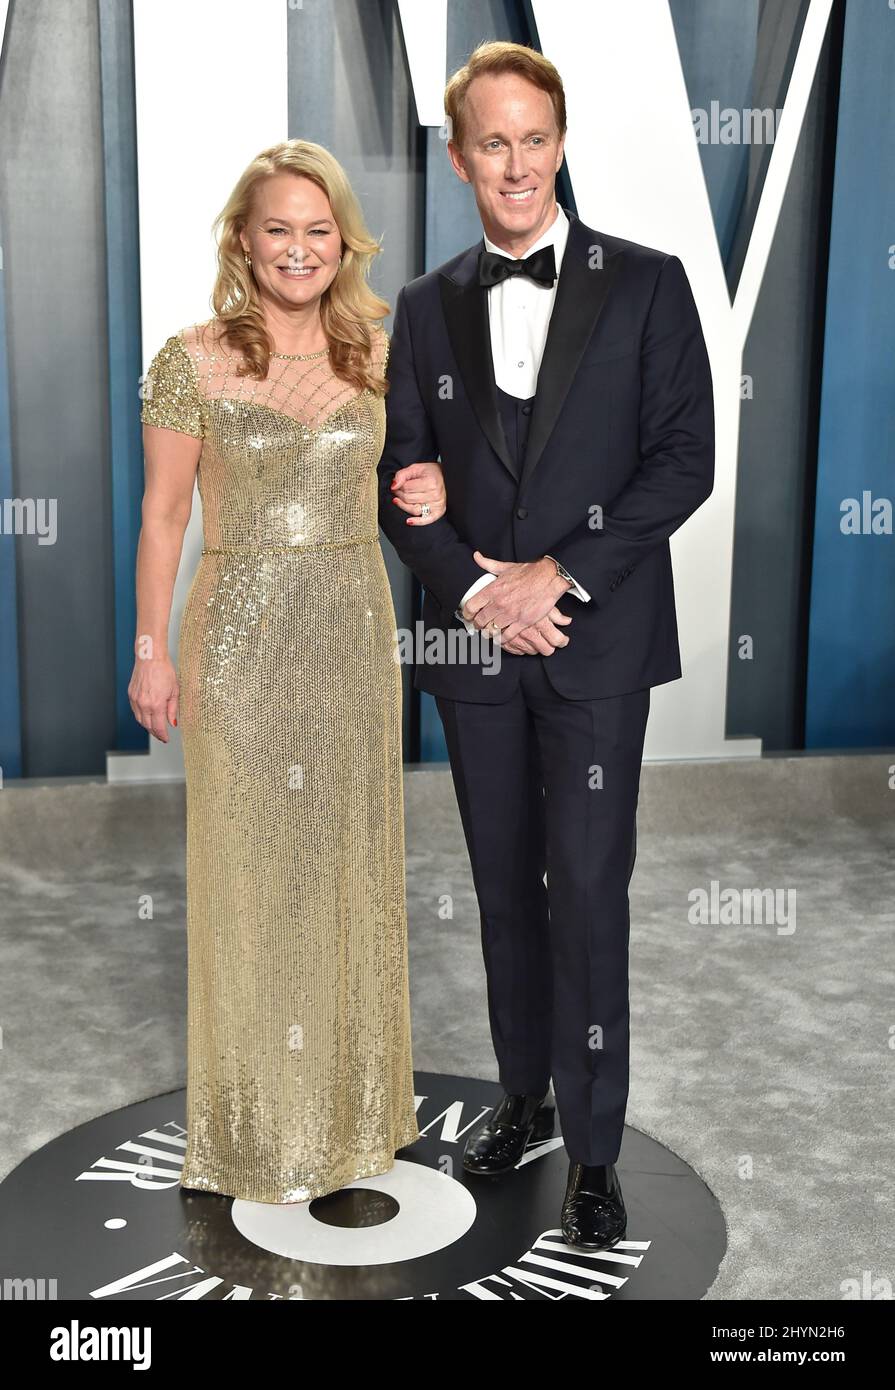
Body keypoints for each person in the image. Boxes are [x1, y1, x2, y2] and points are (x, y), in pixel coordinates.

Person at [378, 42, 714, 1248]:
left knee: (587, 894)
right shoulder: (421, 309)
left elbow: (684, 460)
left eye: (533, 139)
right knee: (501, 891)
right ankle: (522, 1099)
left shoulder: (649, 285)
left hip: (592, 643)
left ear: (558, 143)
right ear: (459, 154)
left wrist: (554, 577)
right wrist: (479, 592)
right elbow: (400, 482)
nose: (513, 163)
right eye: (490, 143)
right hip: (477, 650)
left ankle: (596, 1148)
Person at [130, 139, 445, 1204]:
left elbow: (422, 469)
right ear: (244, 239)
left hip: (352, 638)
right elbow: (165, 513)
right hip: (239, 644)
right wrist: (151, 651)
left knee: (346, 862)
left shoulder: (379, 353)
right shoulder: (191, 358)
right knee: (254, 871)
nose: (298, 249)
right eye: (278, 229)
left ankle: (351, 1115)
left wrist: (436, 487)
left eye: (318, 230)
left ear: (341, 242)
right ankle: (257, 1126)